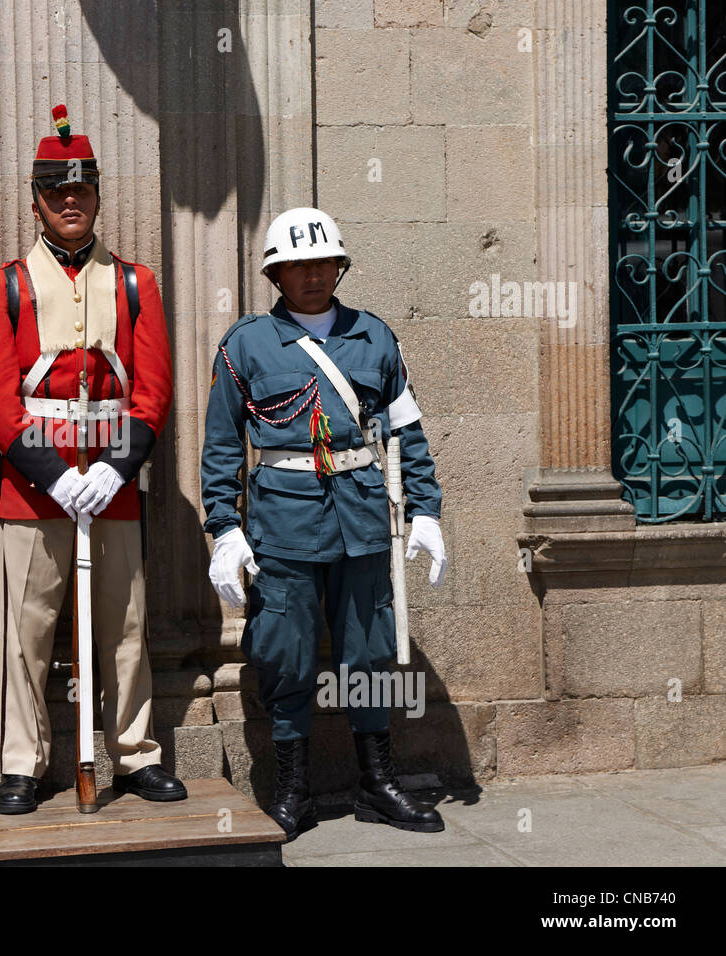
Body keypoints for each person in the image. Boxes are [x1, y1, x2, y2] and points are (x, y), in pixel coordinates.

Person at [200, 207, 448, 841]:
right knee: (285, 650)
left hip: (363, 514)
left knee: (369, 647)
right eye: (297, 265)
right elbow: (223, 444)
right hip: (282, 520)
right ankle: (291, 788)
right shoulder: (246, 344)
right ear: (276, 273)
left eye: (323, 262)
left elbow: (406, 432)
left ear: (340, 266)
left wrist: (425, 511)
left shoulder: (375, 338)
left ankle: (377, 780)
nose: (312, 274)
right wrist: (224, 529)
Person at [0, 106, 185, 814]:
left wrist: (110, 470)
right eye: (56, 191)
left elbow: (152, 391)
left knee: (125, 627)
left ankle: (135, 753)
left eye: (82, 191)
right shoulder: (4, 286)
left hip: (112, 484)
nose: (71, 202)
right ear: (36, 200)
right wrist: (56, 474)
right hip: (33, 490)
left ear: (97, 196)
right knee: (27, 632)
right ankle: (24, 763)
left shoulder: (135, 285)